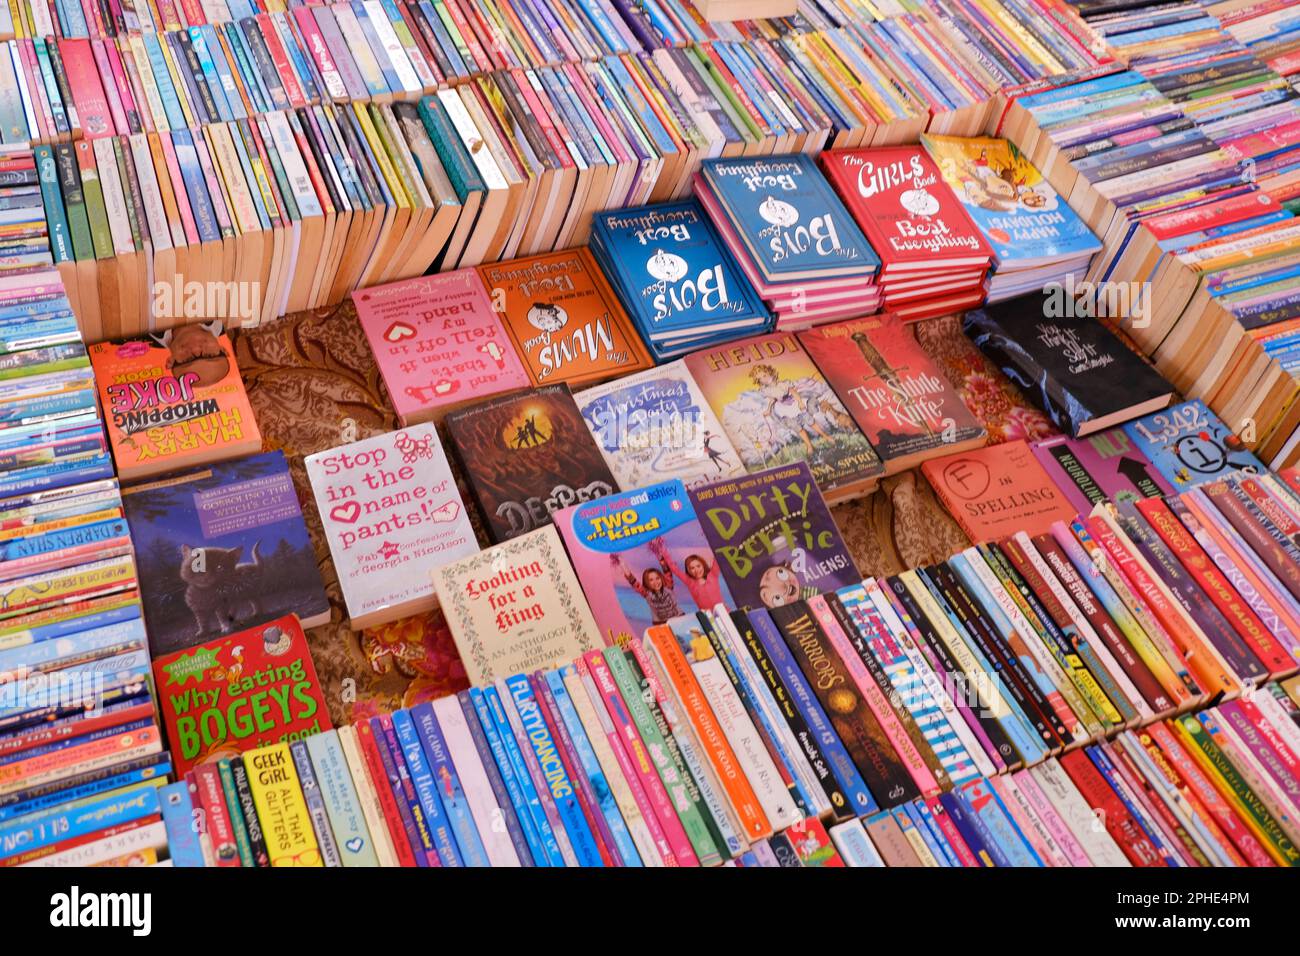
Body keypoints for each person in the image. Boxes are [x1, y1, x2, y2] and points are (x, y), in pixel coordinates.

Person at [612, 550, 681, 625]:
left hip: (678, 618)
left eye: (657, 578)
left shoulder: (668, 587)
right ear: (647, 583)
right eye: (651, 580)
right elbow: (633, 582)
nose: (656, 582)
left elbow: (667, 571)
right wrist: (622, 564)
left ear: (661, 578)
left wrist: (658, 552)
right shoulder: (647, 594)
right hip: (660, 623)